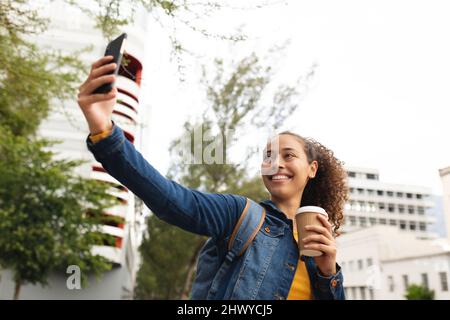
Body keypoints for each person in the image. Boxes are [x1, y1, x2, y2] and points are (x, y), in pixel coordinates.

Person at [77, 55, 348, 300]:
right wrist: (105, 133)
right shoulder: (240, 215)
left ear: (312, 169)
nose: (275, 163)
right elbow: (171, 199)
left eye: (288, 155)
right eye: (268, 156)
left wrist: (328, 273)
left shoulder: (321, 241)